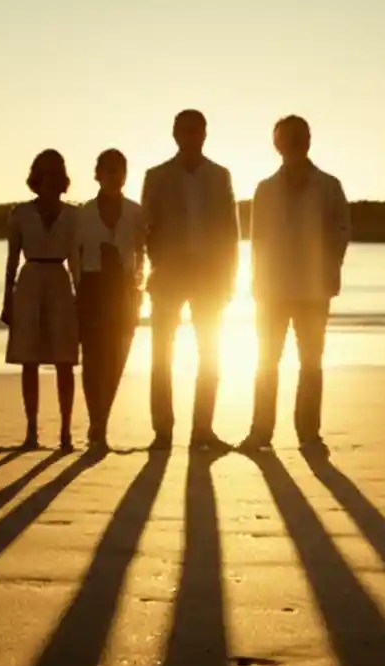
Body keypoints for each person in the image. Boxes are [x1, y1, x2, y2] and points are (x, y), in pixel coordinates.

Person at [240, 115, 352, 457]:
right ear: (278, 145)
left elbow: (340, 232)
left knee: (311, 362)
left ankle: (308, 433)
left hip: (314, 289)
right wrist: (256, 283)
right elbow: (257, 240)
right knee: (266, 361)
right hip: (272, 290)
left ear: (308, 140)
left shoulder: (329, 186)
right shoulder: (265, 188)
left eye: (299, 136)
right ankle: (260, 432)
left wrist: (330, 271)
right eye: (286, 138)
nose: (293, 143)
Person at [140, 109, 240, 451]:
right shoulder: (157, 176)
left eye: (196, 130)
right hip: (168, 273)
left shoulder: (219, 175)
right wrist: (155, 266)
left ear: (204, 134)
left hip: (210, 275)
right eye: (183, 130)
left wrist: (229, 279)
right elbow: (146, 228)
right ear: (174, 134)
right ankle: (163, 431)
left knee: (210, 353)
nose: (190, 136)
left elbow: (231, 231)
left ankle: (203, 430)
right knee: (161, 355)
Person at [1, 149, 80, 452]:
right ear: (36, 178)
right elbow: (10, 261)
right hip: (30, 280)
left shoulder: (74, 215)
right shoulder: (19, 214)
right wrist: (7, 300)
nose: (49, 180)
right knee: (29, 359)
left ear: (62, 179)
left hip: (59, 281)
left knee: (65, 359)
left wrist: (80, 299)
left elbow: (76, 261)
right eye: (44, 174)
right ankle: (32, 432)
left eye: (55, 174)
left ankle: (65, 434)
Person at [74, 149, 145, 451]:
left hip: (125, 289)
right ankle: (96, 422)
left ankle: (102, 418)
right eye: (109, 170)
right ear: (98, 174)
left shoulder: (135, 212)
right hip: (92, 286)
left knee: (118, 356)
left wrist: (138, 283)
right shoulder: (84, 214)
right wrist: (79, 287)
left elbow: (142, 251)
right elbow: (73, 255)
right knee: (93, 359)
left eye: (120, 170)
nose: (115, 176)